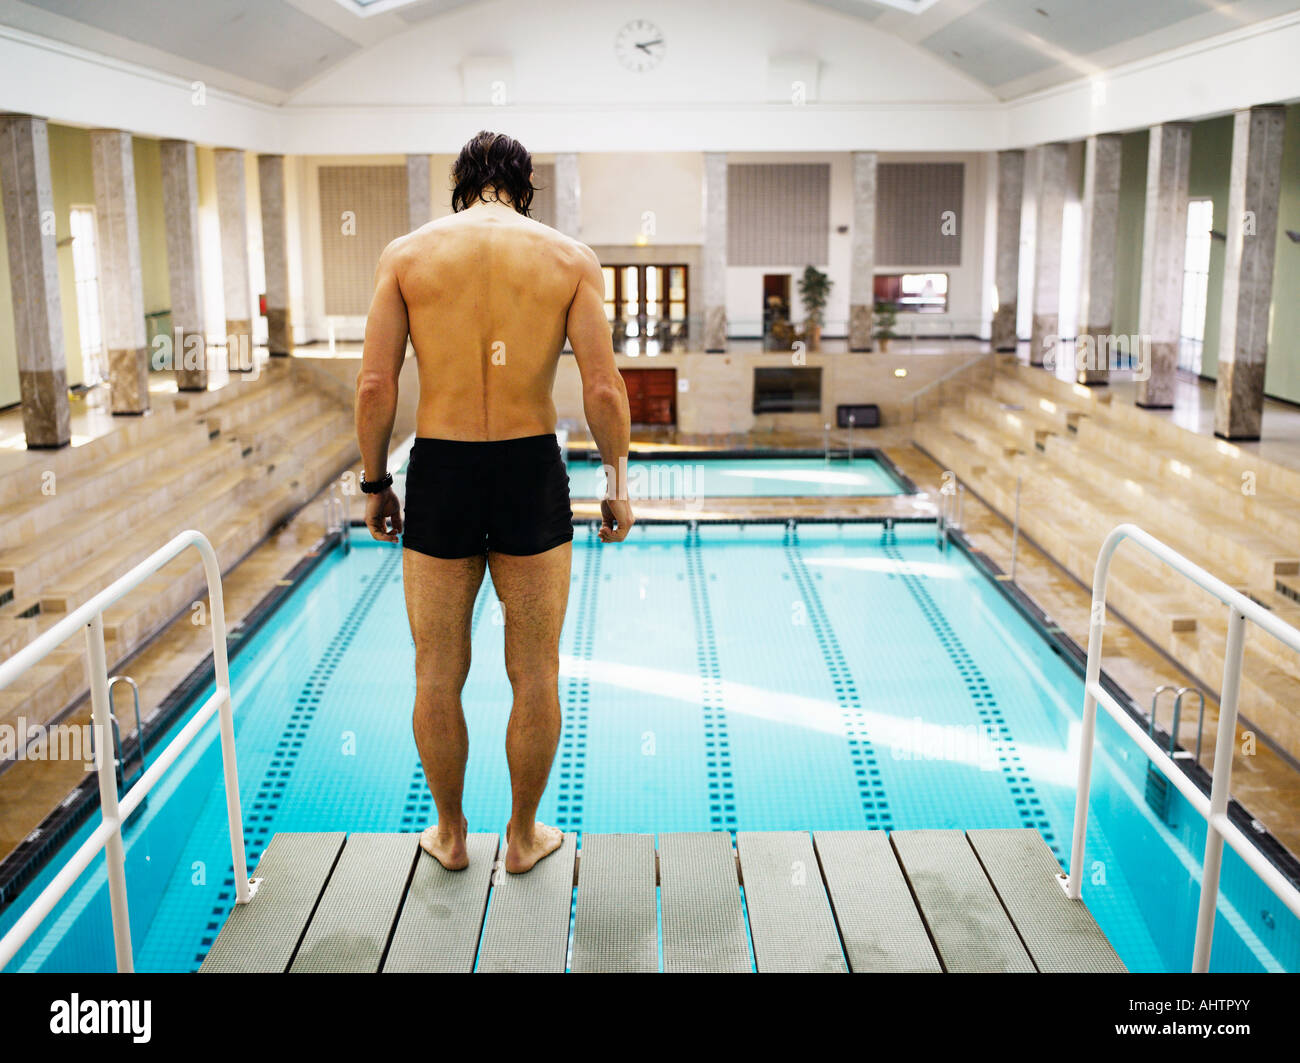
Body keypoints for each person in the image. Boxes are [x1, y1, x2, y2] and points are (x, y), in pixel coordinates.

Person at [354, 130, 633, 873]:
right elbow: (602, 387)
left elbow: (376, 387)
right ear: (524, 186)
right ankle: (523, 835)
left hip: (440, 468)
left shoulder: (408, 256)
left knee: (436, 670)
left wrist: (376, 482)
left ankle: (448, 834)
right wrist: (617, 481)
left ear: (461, 183)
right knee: (535, 669)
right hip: (528, 470)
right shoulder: (568, 260)